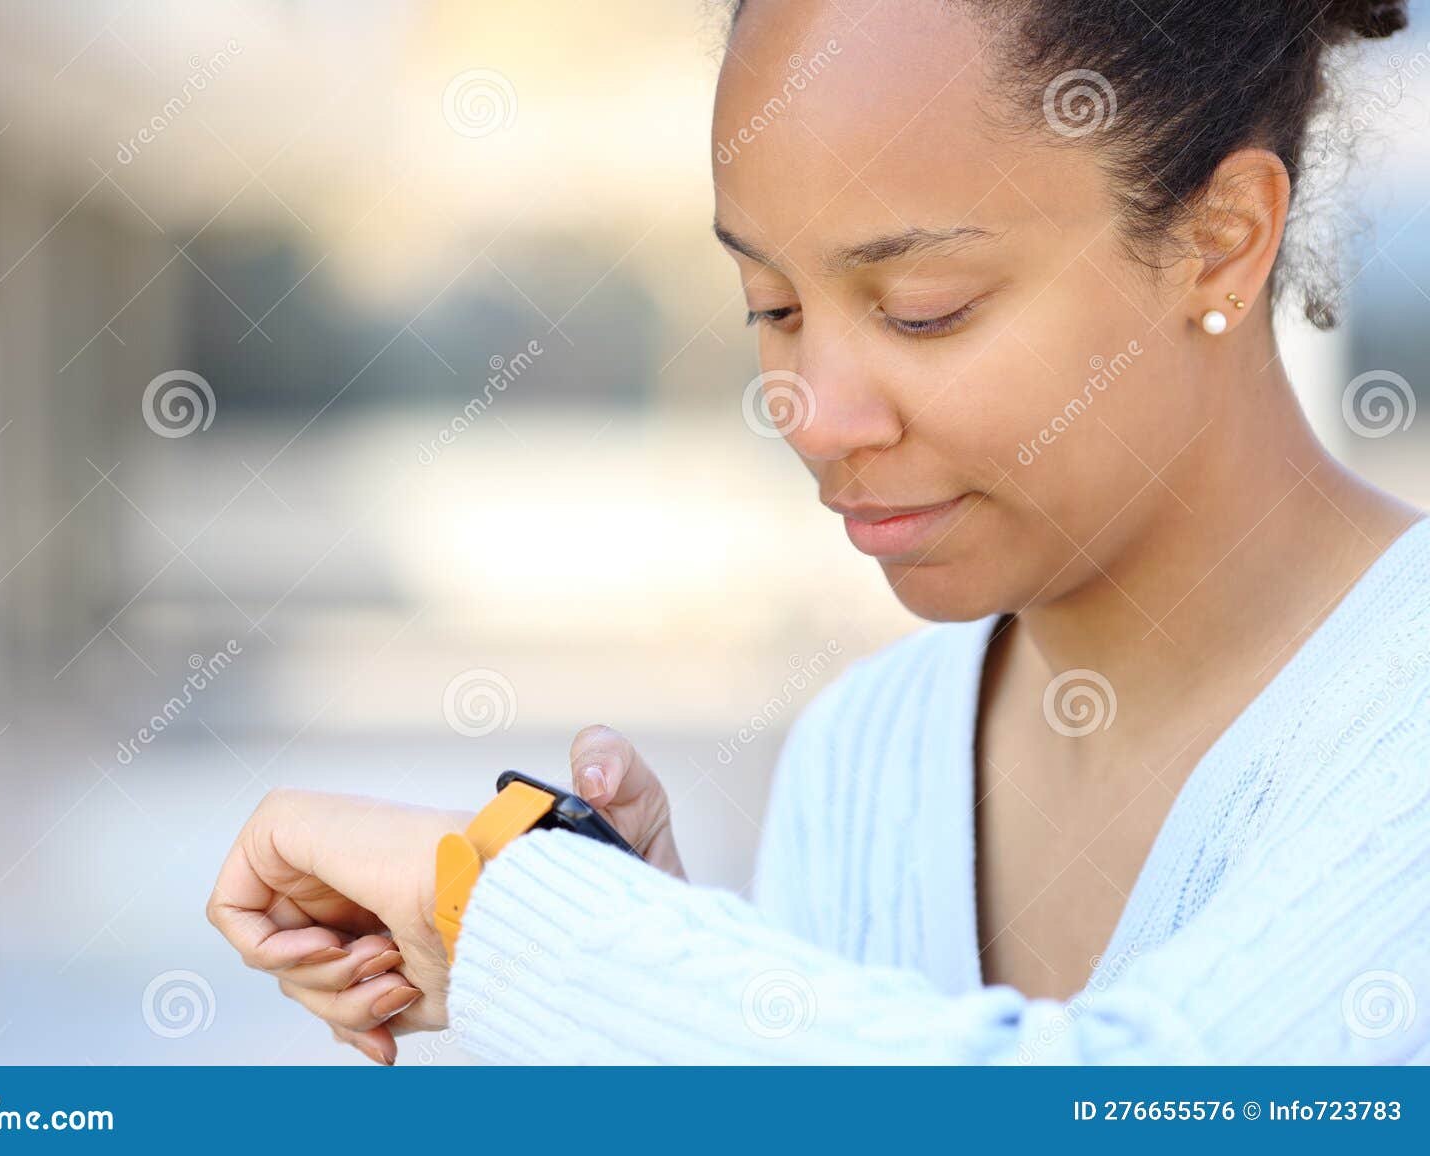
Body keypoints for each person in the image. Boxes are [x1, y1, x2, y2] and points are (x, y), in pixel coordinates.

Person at [207, 0, 1430, 1064]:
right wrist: (677, 980)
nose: (810, 411)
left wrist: (538, 933)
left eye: (921, 311)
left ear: (1219, 242)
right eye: (774, 306)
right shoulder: (864, 755)